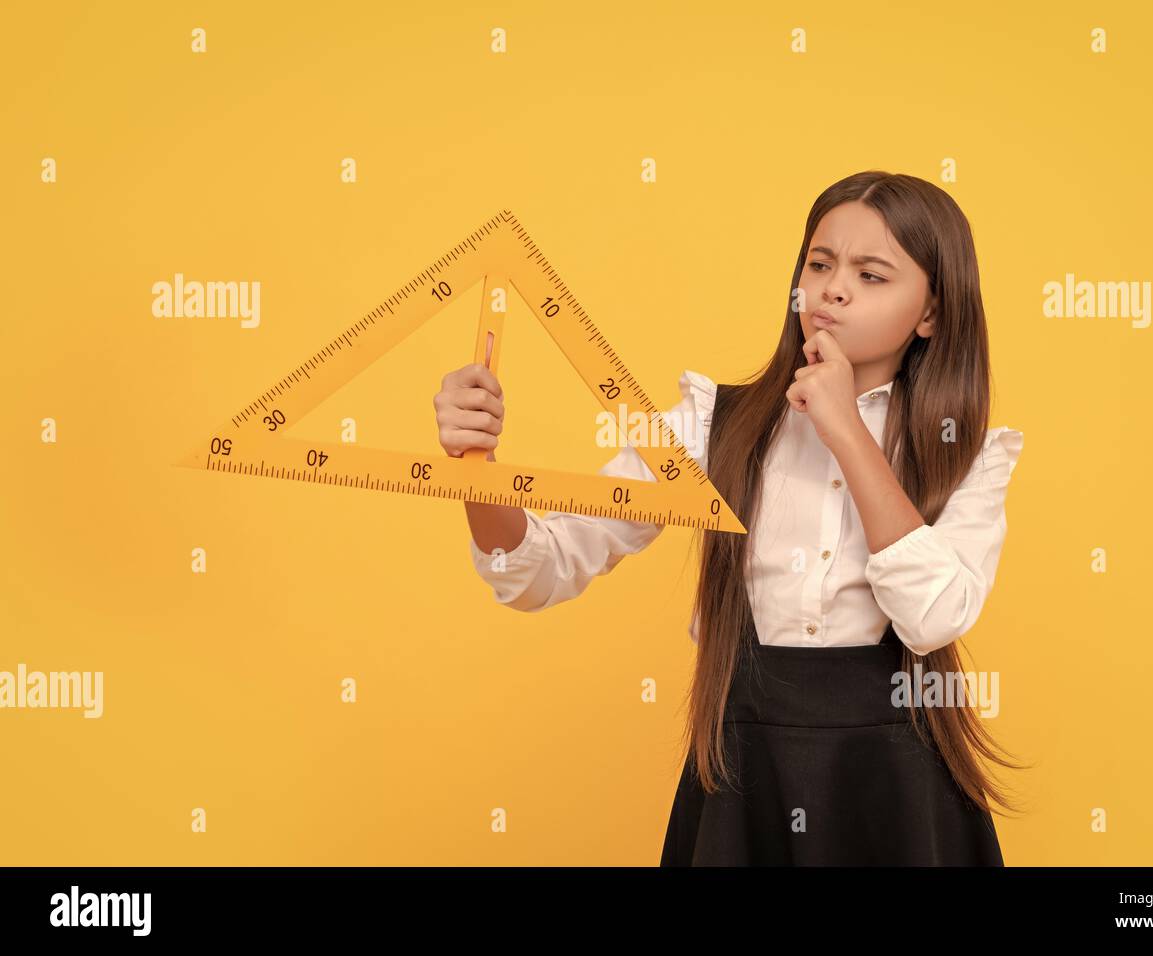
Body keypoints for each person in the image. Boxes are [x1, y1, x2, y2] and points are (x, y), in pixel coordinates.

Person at [437, 170, 1027, 865]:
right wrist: (476, 466)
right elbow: (541, 569)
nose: (834, 288)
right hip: (745, 791)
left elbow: (933, 617)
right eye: (820, 263)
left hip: (901, 799)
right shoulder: (709, 426)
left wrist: (845, 430)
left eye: (872, 275)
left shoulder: (970, 453)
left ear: (930, 312)